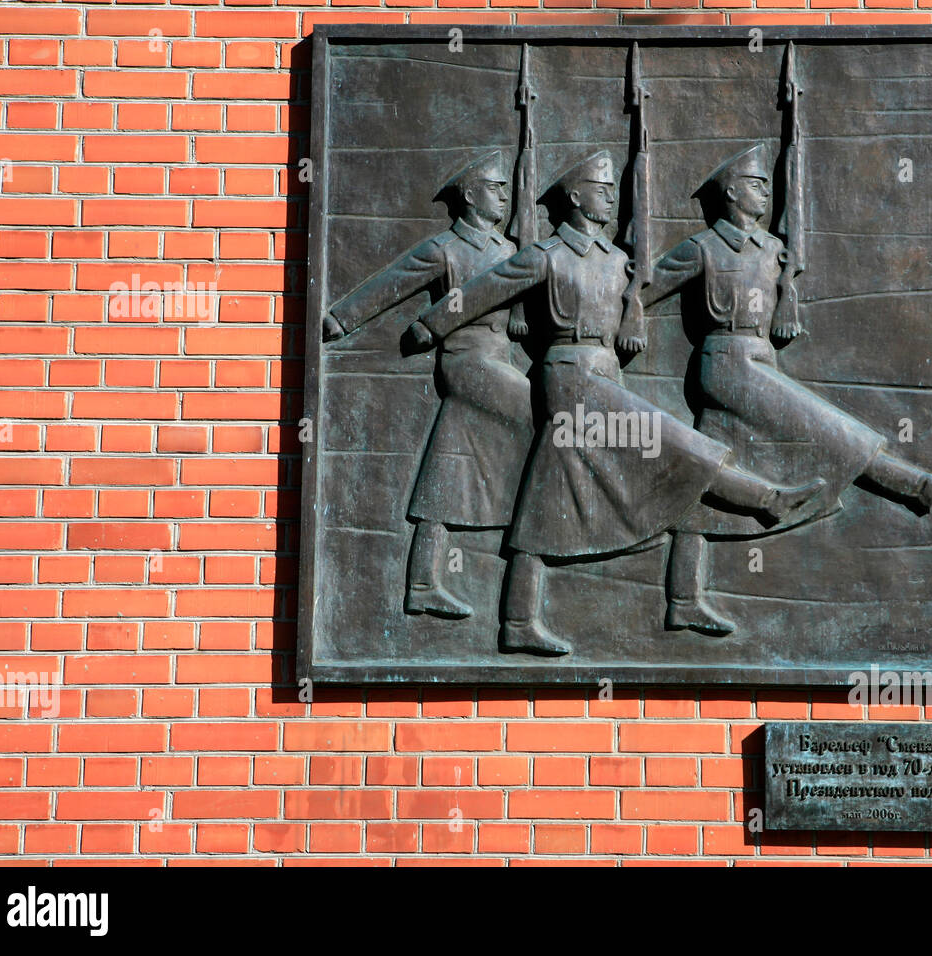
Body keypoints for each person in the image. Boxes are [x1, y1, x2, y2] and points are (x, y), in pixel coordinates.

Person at [414, 150, 824, 655]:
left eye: (613, 191)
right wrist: (431, 324)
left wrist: (633, 314)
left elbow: (643, 296)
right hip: (567, 377)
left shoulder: (614, 261)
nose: (611, 198)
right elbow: (484, 290)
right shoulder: (546, 255)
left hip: (603, 372)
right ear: (574, 197)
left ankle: (520, 620)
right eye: (601, 190)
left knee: (551, 495)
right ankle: (764, 497)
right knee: (667, 442)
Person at [642, 144, 932, 636]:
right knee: (824, 423)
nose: (766, 192)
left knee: (707, 477)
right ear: (731, 192)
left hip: (760, 359)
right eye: (756, 184)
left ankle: (683, 601)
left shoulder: (775, 251)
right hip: (726, 366)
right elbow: (641, 292)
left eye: (768, 184)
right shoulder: (702, 248)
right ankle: (912, 483)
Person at [324, 150, 533, 620]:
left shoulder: (507, 250)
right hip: (466, 363)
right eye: (495, 188)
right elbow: (393, 283)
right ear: (469, 195)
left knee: (450, 472)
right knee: (547, 423)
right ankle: (529, 567)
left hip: (497, 362)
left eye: (504, 187)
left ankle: (423, 583)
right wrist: (342, 318)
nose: (504, 196)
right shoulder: (445, 249)